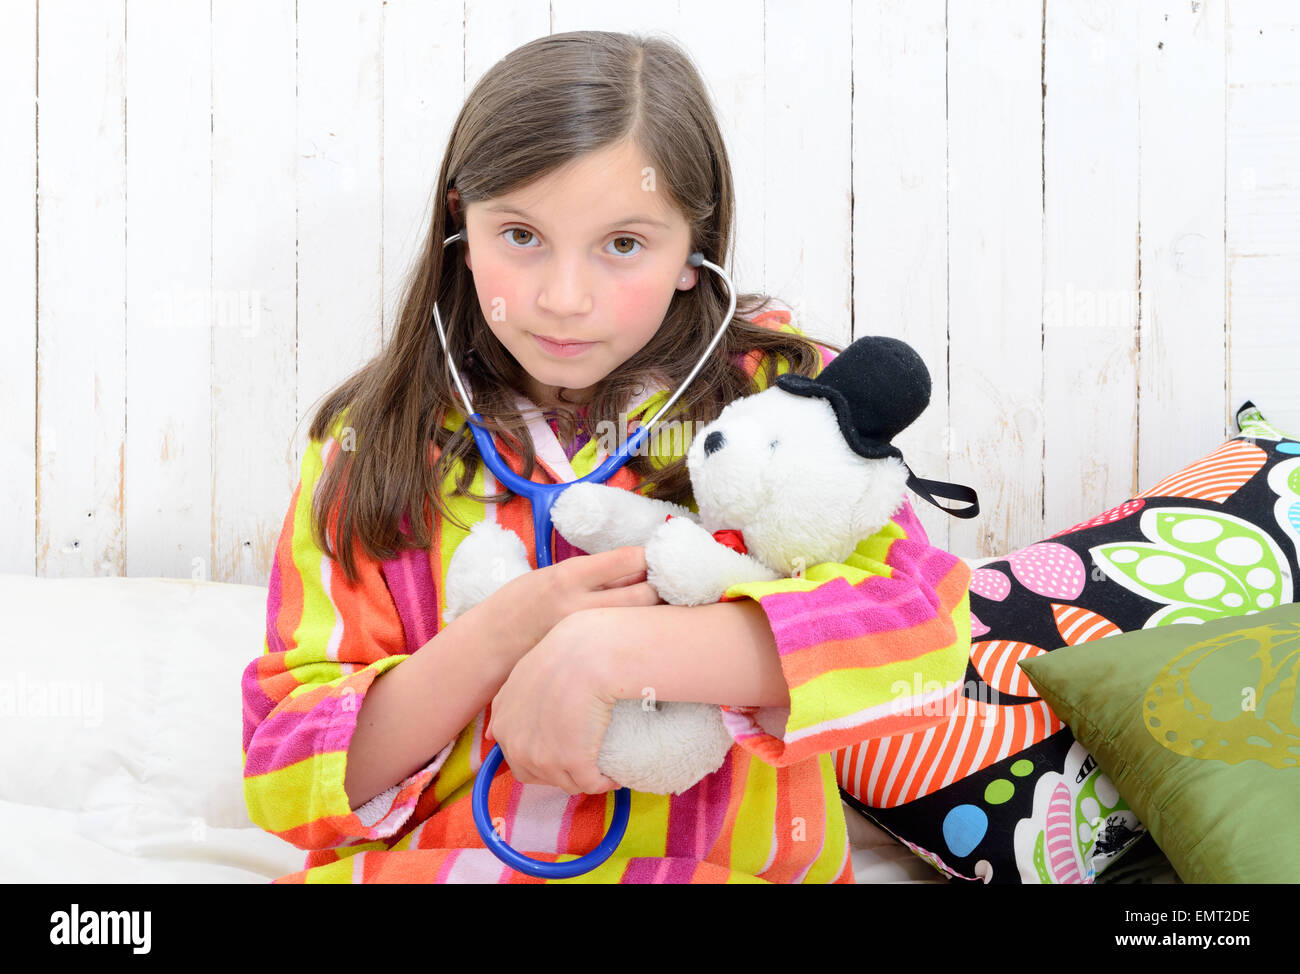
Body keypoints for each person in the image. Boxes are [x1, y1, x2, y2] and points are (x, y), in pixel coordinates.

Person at [240, 30, 972, 883]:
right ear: (459, 227)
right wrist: (512, 629)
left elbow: (922, 638)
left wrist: (614, 653)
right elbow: (286, 774)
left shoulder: (785, 402)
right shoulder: (375, 440)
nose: (563, 298)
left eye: (623, 244)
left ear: (696, 253)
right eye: (520, 234)